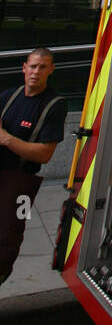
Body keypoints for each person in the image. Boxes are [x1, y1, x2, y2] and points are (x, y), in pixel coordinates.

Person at [0, 47, 65, 288]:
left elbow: (45, 154)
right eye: (33, 66)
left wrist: (7, 139)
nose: (36, 72)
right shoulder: (8, 96)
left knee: (13, 232)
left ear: (51, 70)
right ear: (24, 68)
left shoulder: (55, 105)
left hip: (24, 184)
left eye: (42, 67)